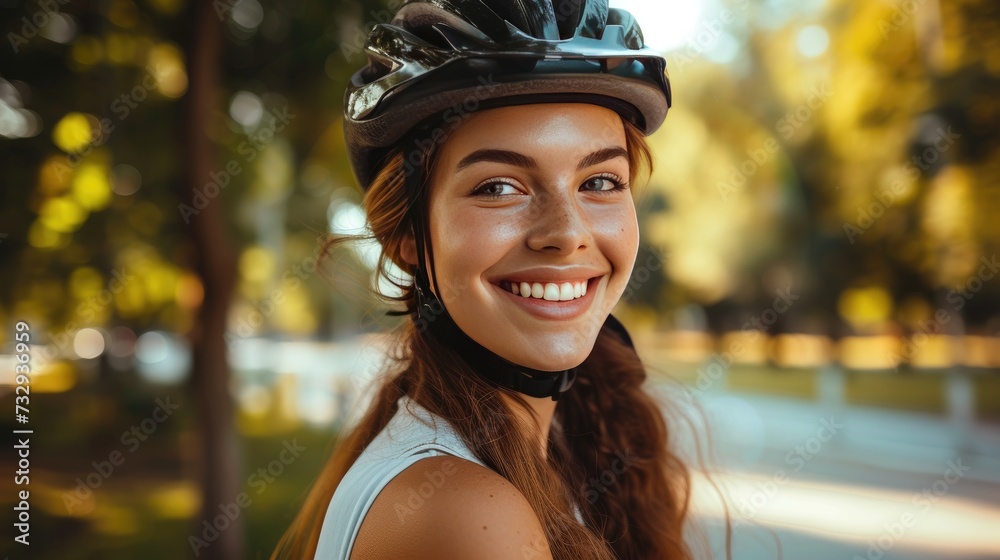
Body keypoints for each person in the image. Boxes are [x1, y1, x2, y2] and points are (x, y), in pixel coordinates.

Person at [272, 1, 732, 558]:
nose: (566, 233)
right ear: (408, 237)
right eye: (498, 187)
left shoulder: (536, 455)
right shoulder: (464, 514)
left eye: (602, 181)